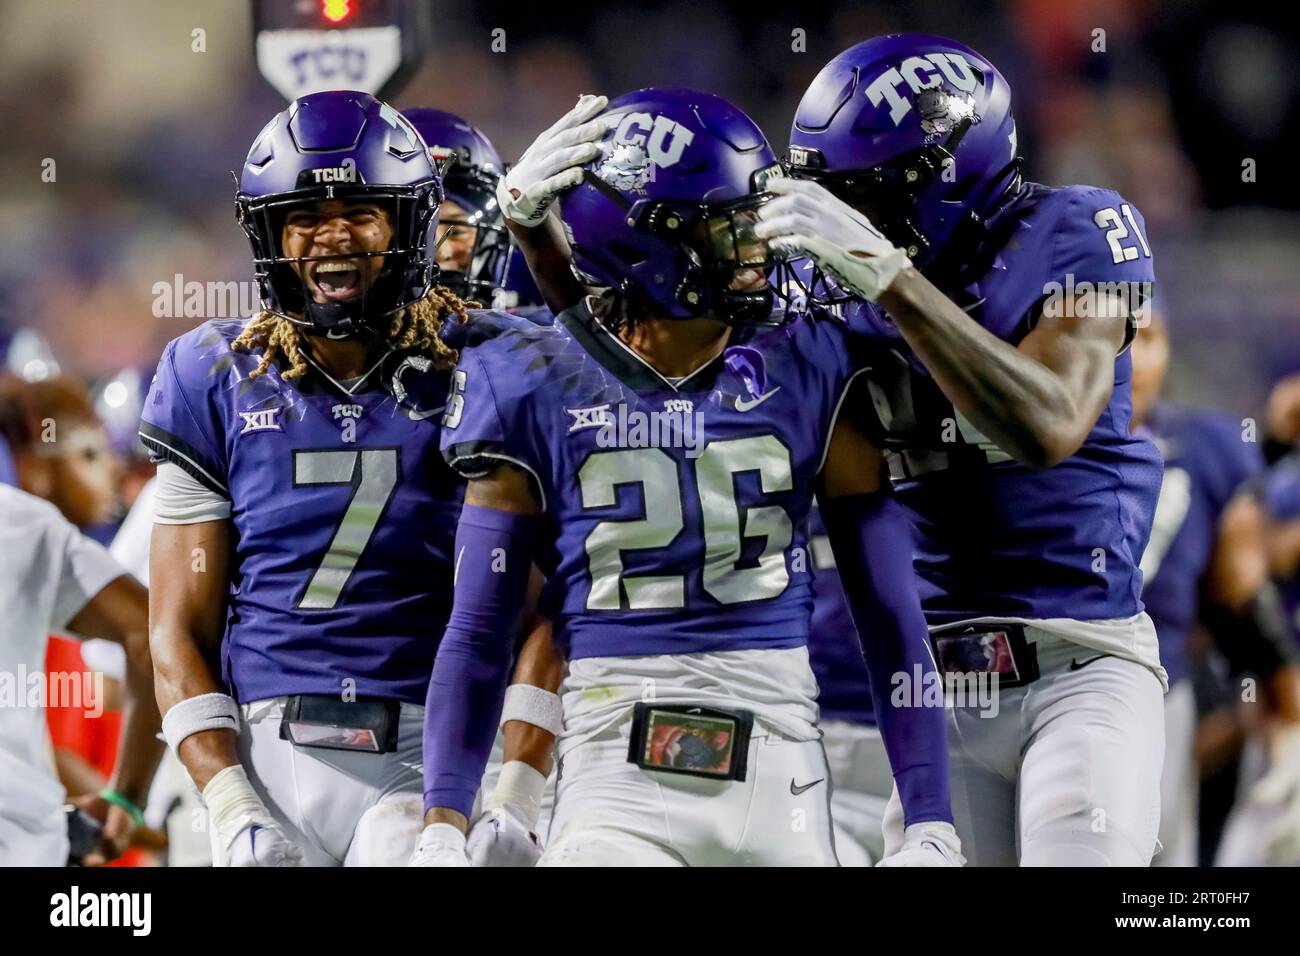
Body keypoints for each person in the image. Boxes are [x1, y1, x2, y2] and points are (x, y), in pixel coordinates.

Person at [413, 89, 958, 867]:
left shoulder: (811, 359)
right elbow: (478, 631)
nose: (760, 245)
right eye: (732, 225)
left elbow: (889, 614)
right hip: (612, 766)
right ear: (646, 247)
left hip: (783, 763)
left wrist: (929, 815)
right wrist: (444, 820)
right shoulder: (529, 375)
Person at [756, 33, 1167, 865]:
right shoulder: (850, 296)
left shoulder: (1078, 227)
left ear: (946, 177)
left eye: (860, 198)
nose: (844, 224)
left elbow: (1047, 425)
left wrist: (895, 282)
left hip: (1080, 663)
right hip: (938, 680)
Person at [141, 89, 478, 867]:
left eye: (361, 211)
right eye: (303, 217)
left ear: (410, 226)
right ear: (268, 236)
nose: (332, 235)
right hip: (257, 751)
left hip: (424, 751)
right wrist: (230, 807)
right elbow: (176, 630)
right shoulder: (211, 373)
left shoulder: (481, 362)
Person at [1129, 312, 1300, 866]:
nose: (1129, 357)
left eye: (1147, 337)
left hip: (1155, 695)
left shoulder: (1203, 448)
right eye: (1115, 336)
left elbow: (1242, 598)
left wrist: (1288, 711)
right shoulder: (1006, 440)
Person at [0, 402, 161, 866]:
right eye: (88, 453)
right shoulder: (24, 525)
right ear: (33, 462)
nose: (111, 468)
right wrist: (129, 802)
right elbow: (153, 635)